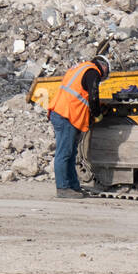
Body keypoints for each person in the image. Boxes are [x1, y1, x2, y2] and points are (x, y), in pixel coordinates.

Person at [47, 55, 110, 198]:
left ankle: (73, 186)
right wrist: (97, 114)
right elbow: (93, 96)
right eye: (105, 76)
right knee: (64, 153)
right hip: (66, 114)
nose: (102, 78)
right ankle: (63, 188)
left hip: (63, 112)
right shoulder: (93, 72)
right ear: (104, 67)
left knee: (70, 153)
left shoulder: (80, 68)